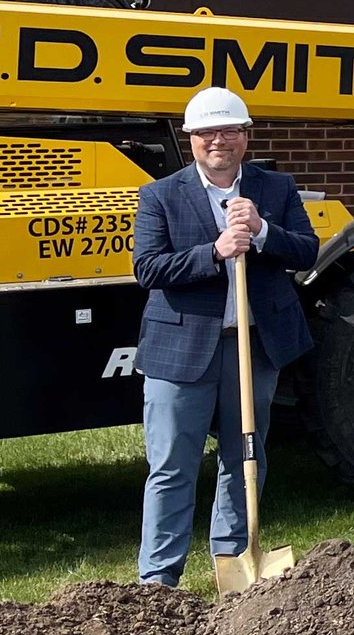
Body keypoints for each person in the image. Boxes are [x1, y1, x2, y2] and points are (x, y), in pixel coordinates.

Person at [129, 86, 319, 587]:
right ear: (190, 138)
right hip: (181, 349)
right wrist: (214, 251)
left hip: (254, 347)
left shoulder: (275, 188)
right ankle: (158, 581)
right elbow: (147, 268)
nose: (220, 141)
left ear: (246, 136)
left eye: (230, 130)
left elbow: (306, 252)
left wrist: (261, 232)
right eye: (208, 132)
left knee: (245, 455)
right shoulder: (160, 195)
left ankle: (233, 568)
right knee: (172, 464)